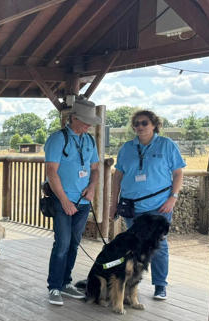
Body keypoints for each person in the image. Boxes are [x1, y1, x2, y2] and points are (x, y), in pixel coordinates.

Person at [111, 110, 185, 301]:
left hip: (158, 206)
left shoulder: (166, 145)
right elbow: (117, 177)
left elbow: (178, 173)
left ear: (154, 124)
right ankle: (131, 284)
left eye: (144, 123)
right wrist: (113, 204)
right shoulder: (127, 148)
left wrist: (173, 198)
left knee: (158, 245)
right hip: (131, 207)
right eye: (136, 124)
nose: (140, 127)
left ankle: (160, 285)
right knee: (134, 247)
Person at [44, 97, 100, 306]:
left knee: (75, 244)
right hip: (63, 201)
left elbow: (95, 169)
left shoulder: (89, 140)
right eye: (85, 121)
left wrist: (92, 188)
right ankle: (54, 286)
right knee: (62, 244)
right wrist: (65, 201)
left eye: (90, 122)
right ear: (73, 118)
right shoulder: (58, 139)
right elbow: (52, 172)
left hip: (83, 202)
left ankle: (66, 282)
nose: (88, 126)